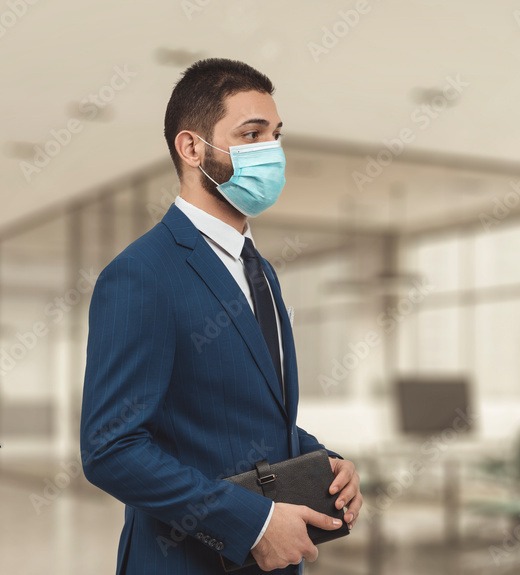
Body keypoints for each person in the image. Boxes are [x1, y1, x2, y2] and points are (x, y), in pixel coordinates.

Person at [80, 58, 362, 574]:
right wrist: (251, 524)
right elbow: (111, 449)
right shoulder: (142, 274)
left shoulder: (261, 271)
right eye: (251, 134)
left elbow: (250, 413)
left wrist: (325, 461)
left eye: (276, 135)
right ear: (191, 148)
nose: (270, 151)